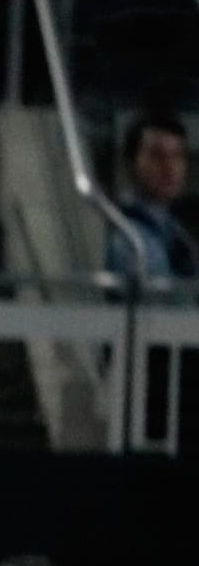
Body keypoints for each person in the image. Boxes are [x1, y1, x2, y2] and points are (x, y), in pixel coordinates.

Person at [105, 109, 198, 453]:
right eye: (157, 155)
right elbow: (167, 308)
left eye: (177, 156)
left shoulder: (176, 234)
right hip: (157, 392)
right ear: (131, 164)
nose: (169, 167)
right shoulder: (129, 238)